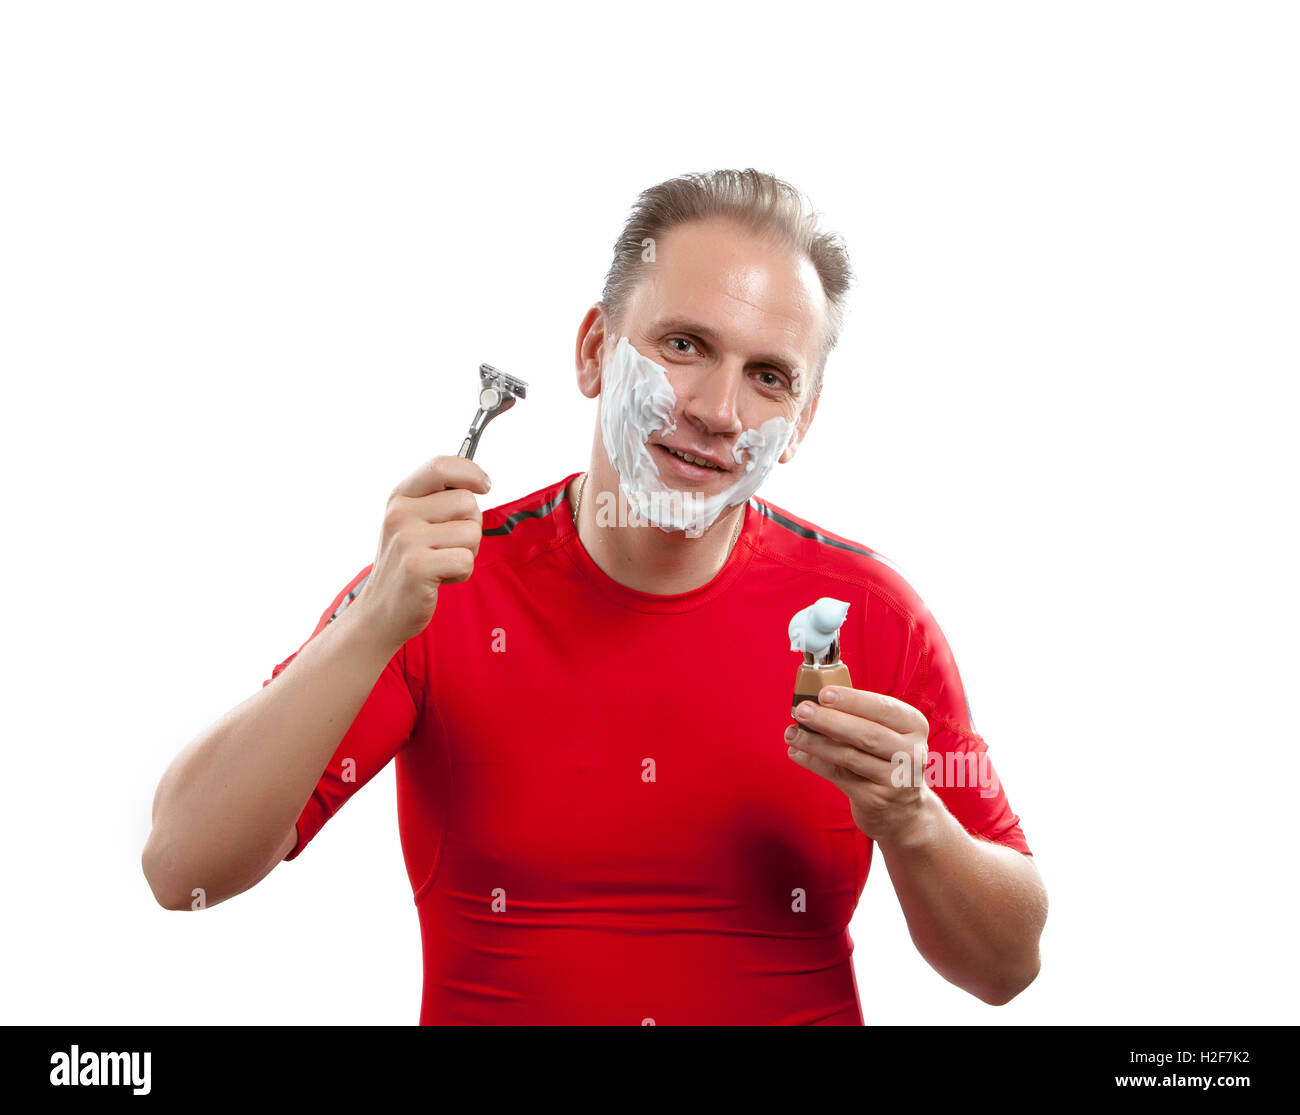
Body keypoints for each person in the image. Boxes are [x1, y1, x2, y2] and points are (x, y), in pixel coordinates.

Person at [142, 168, 1047, 1025]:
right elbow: (182, 866)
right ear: (593, 352)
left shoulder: (872, 614)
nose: (719, 410)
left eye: (768, 376)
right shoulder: (443, 586)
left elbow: (1008, 968)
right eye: (684, 345)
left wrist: (915, 819)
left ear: (801, 423)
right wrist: (371, 624)